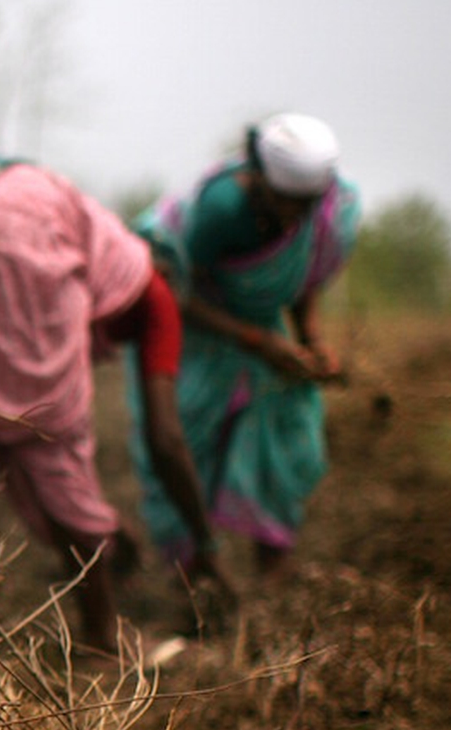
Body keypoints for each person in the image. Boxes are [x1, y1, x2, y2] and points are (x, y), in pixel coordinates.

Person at [0, 157, 225, 655]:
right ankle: (100, 641)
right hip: (18, 232)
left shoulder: (93, 242)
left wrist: (111, 530)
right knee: (53, 435)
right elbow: (165, 438)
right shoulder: (155, 289)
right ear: (164, 268)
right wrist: (205, 543)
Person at [129, 113, 359, 582]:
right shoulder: (221, 211)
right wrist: (257, 341)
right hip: (194, 323)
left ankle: (272, 573)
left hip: (258, 325)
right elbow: (177, 293)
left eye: (306, 205)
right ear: (259, 178)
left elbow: (300, 273)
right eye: (286, 202)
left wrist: (309, 341)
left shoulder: (327, 210)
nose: (296, 216)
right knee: (186, 438)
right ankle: (195, 576)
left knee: (286, 429)